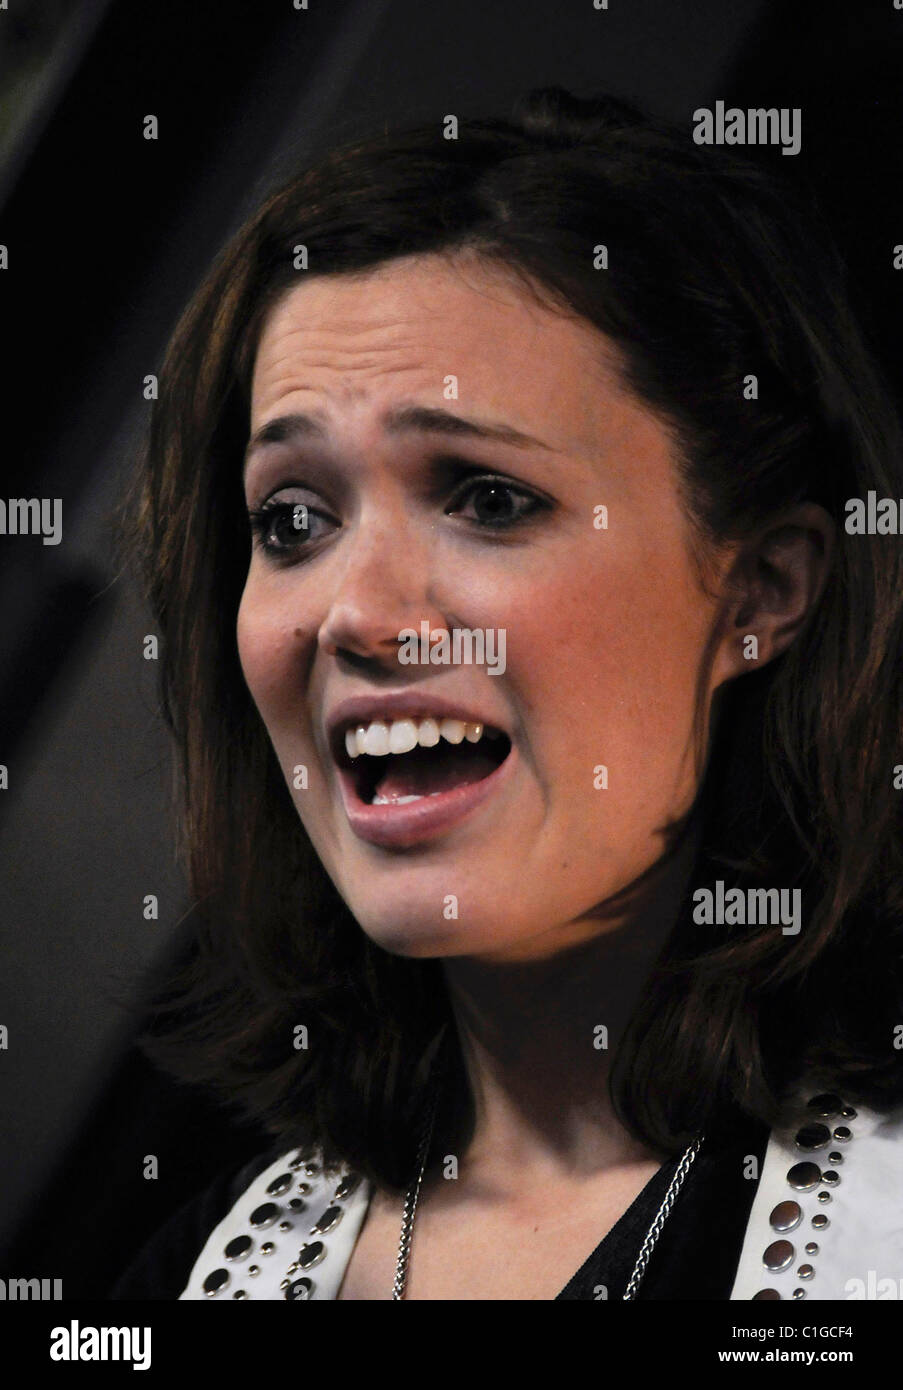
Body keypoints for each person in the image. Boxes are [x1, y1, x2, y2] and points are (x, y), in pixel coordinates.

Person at [111, 86, 903, 1301]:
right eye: (294, 518)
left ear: (761, 589)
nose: (355, 613)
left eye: (486, 497)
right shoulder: (186, 1280)